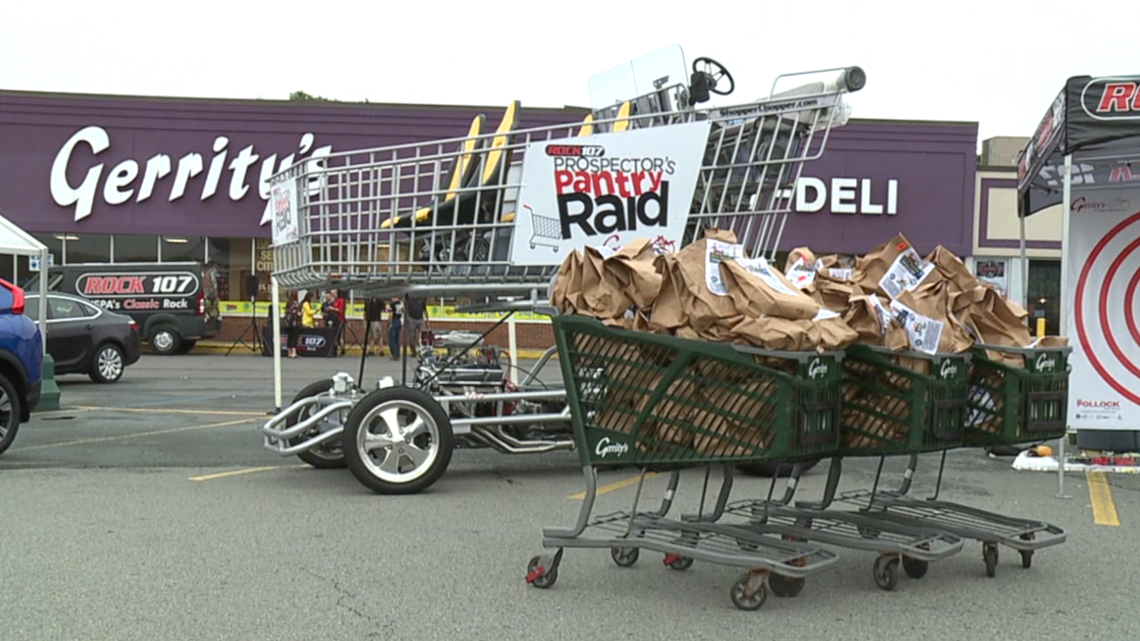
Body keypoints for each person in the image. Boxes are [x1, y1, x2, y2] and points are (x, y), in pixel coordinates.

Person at [284, 291, 303, 359]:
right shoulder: (297, 304)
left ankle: (289, 352)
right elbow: (297, 314)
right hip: (295, 323)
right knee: (294, 338)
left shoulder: (288, 303)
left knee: (289, 337)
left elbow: (286, 312)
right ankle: (293, 353)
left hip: (288, 323)